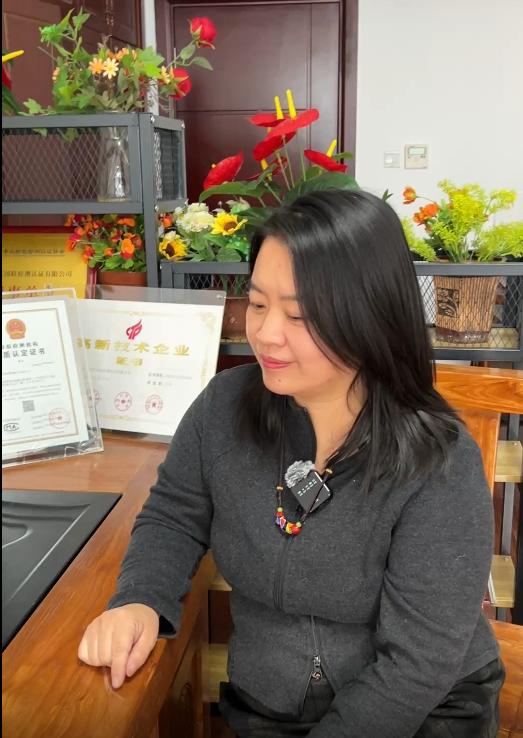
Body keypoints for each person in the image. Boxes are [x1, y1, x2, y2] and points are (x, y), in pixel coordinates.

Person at [78, 189, 504, 737]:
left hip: (422, 711)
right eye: (257, 304)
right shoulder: (224, 408)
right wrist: (139, 599)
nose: (265, 333)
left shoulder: (437, 460)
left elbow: (417, 665)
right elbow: (174, 515)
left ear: (371, 317)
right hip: (270, 704)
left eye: (299, 314)